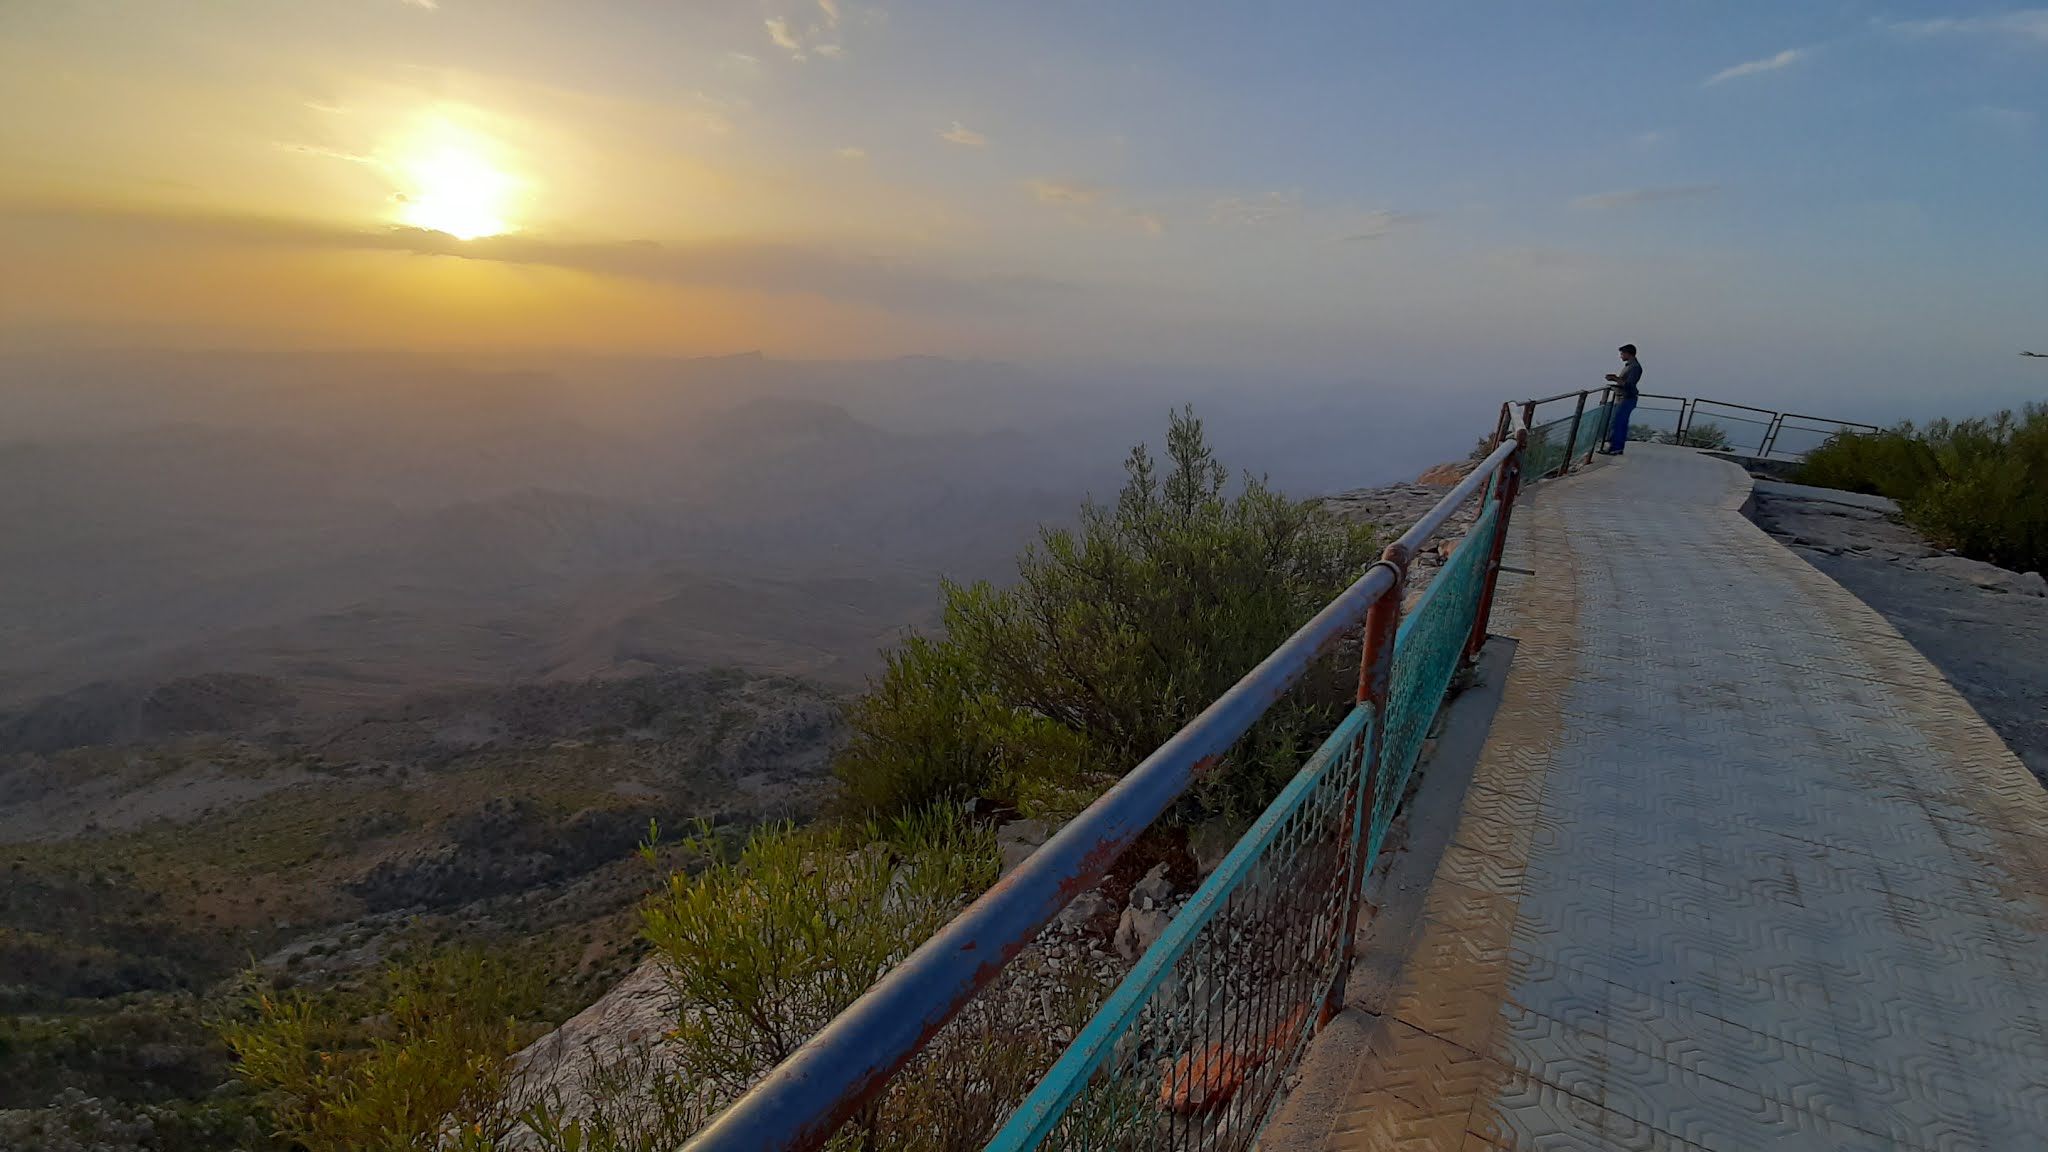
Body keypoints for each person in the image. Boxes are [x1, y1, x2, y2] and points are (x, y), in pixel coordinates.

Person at [1600, 344, 1642, 454]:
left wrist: (1615, 378)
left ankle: (1615, 447)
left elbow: (1629, 385)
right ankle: (1617, 447)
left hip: (1627, 398)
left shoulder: (1635, 367)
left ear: (1628, 353)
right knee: (1621, 423)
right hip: (1624, 398)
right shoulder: (1630, 366)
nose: (1621, 356)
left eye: (1622, 353)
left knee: (1617, 423)